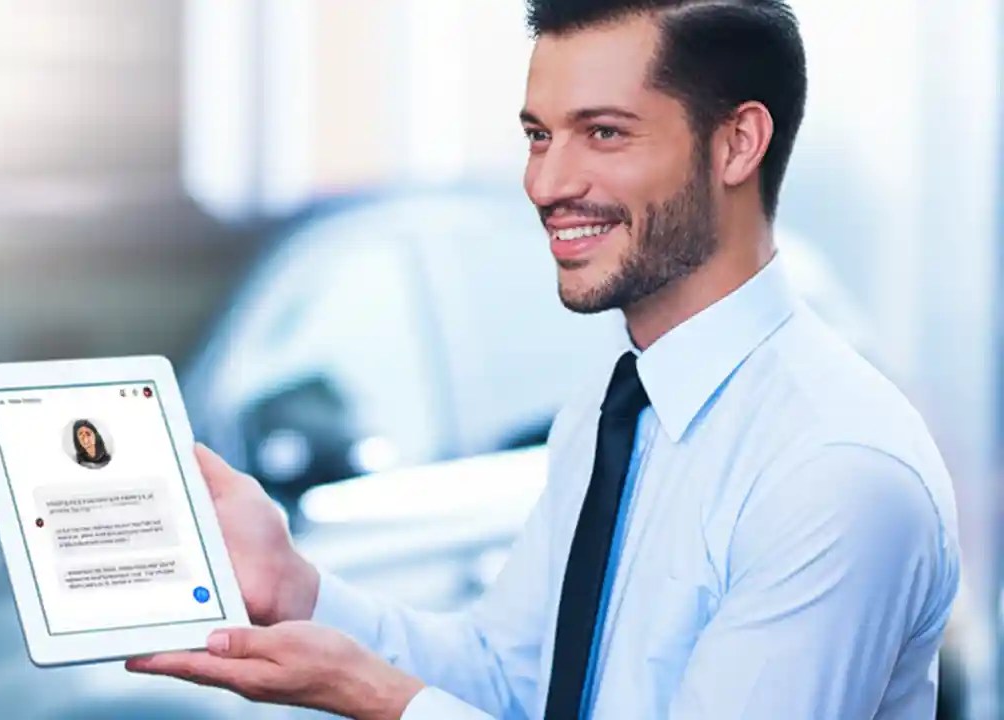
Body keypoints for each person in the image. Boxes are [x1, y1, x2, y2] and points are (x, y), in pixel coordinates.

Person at [126, 1, 960, 718]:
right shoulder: (619, 403)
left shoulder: (833, 470)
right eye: (538, 135)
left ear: (738, 143)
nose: (546, 182)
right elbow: (513, 679)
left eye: (603, 132)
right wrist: (301, 593)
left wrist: (382, 697)